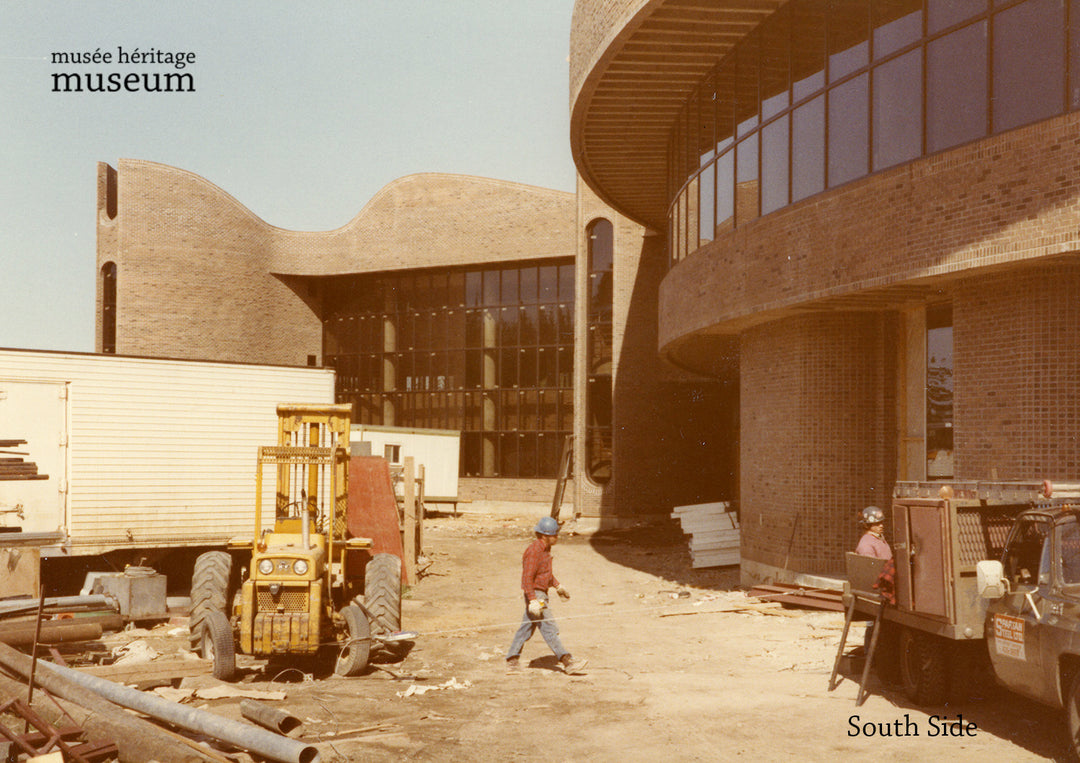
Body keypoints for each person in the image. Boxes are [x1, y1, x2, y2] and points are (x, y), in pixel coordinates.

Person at [505, 516, 587, 674]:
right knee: (549, 626)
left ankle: (512, 661)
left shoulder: (545, 549)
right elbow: (527, 578)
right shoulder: (534, 551)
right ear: (544, 536)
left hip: (540, 593)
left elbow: (545, 573)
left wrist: (557, 585)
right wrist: (533, 600)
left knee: (526, 628)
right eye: (554, 535)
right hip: (536, 594)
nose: (557, 537)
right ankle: (567, 661)